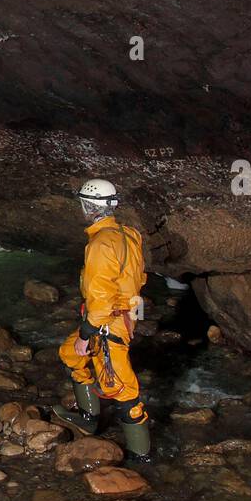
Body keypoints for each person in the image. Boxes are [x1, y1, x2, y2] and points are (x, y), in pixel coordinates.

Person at [52, 179, 152, 463]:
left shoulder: (100, 243)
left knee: (122, 389)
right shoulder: (128, 233)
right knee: (70, 354)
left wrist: (87, 333)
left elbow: (101, 297)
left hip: (108, 322)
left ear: (87, 206)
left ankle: (140, 457)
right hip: (117, 315)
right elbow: (138, 276)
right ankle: (88, 417)